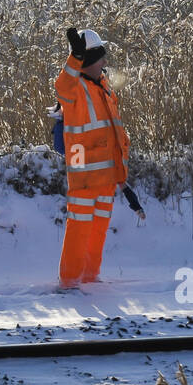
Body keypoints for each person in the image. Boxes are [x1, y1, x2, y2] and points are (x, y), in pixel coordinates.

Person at [53, 27, 138, 289]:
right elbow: (61, 86)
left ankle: (90, 277)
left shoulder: (105, 89)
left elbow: (115, 136)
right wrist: (74, 59)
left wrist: (121, 176)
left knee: (98, 228)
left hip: (105, 177)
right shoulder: (74, 89)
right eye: (99, 57)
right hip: (84, 176)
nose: (103, 62)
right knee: (79, 227)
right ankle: (69, 281)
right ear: (87, 61)